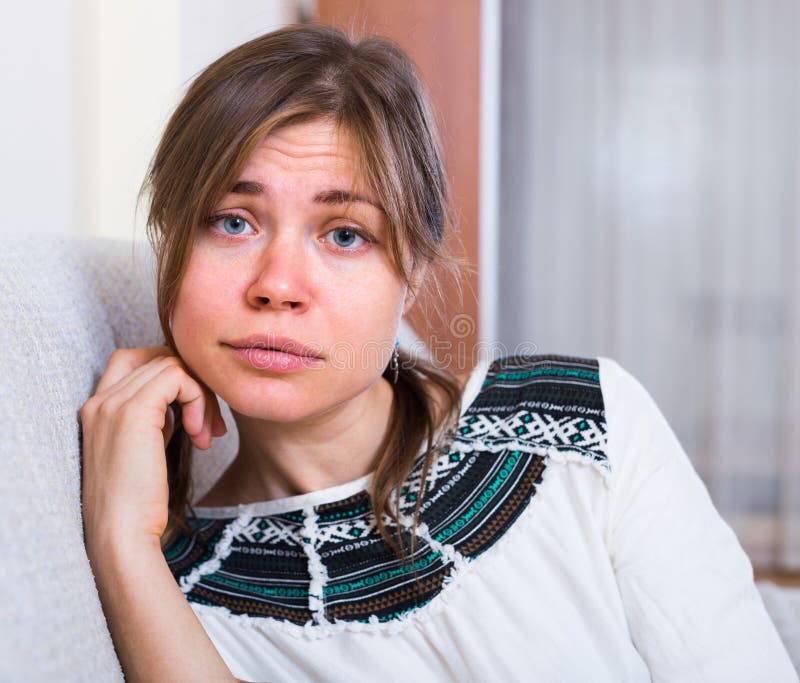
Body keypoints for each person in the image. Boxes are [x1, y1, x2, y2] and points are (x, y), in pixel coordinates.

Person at [78, 23, 797, 683]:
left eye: (344, 234)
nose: (278, 286)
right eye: (233, 222)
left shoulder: (582, 425)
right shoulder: (177, 594)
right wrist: (123, 543)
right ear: (171, 243)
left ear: (413, 267)